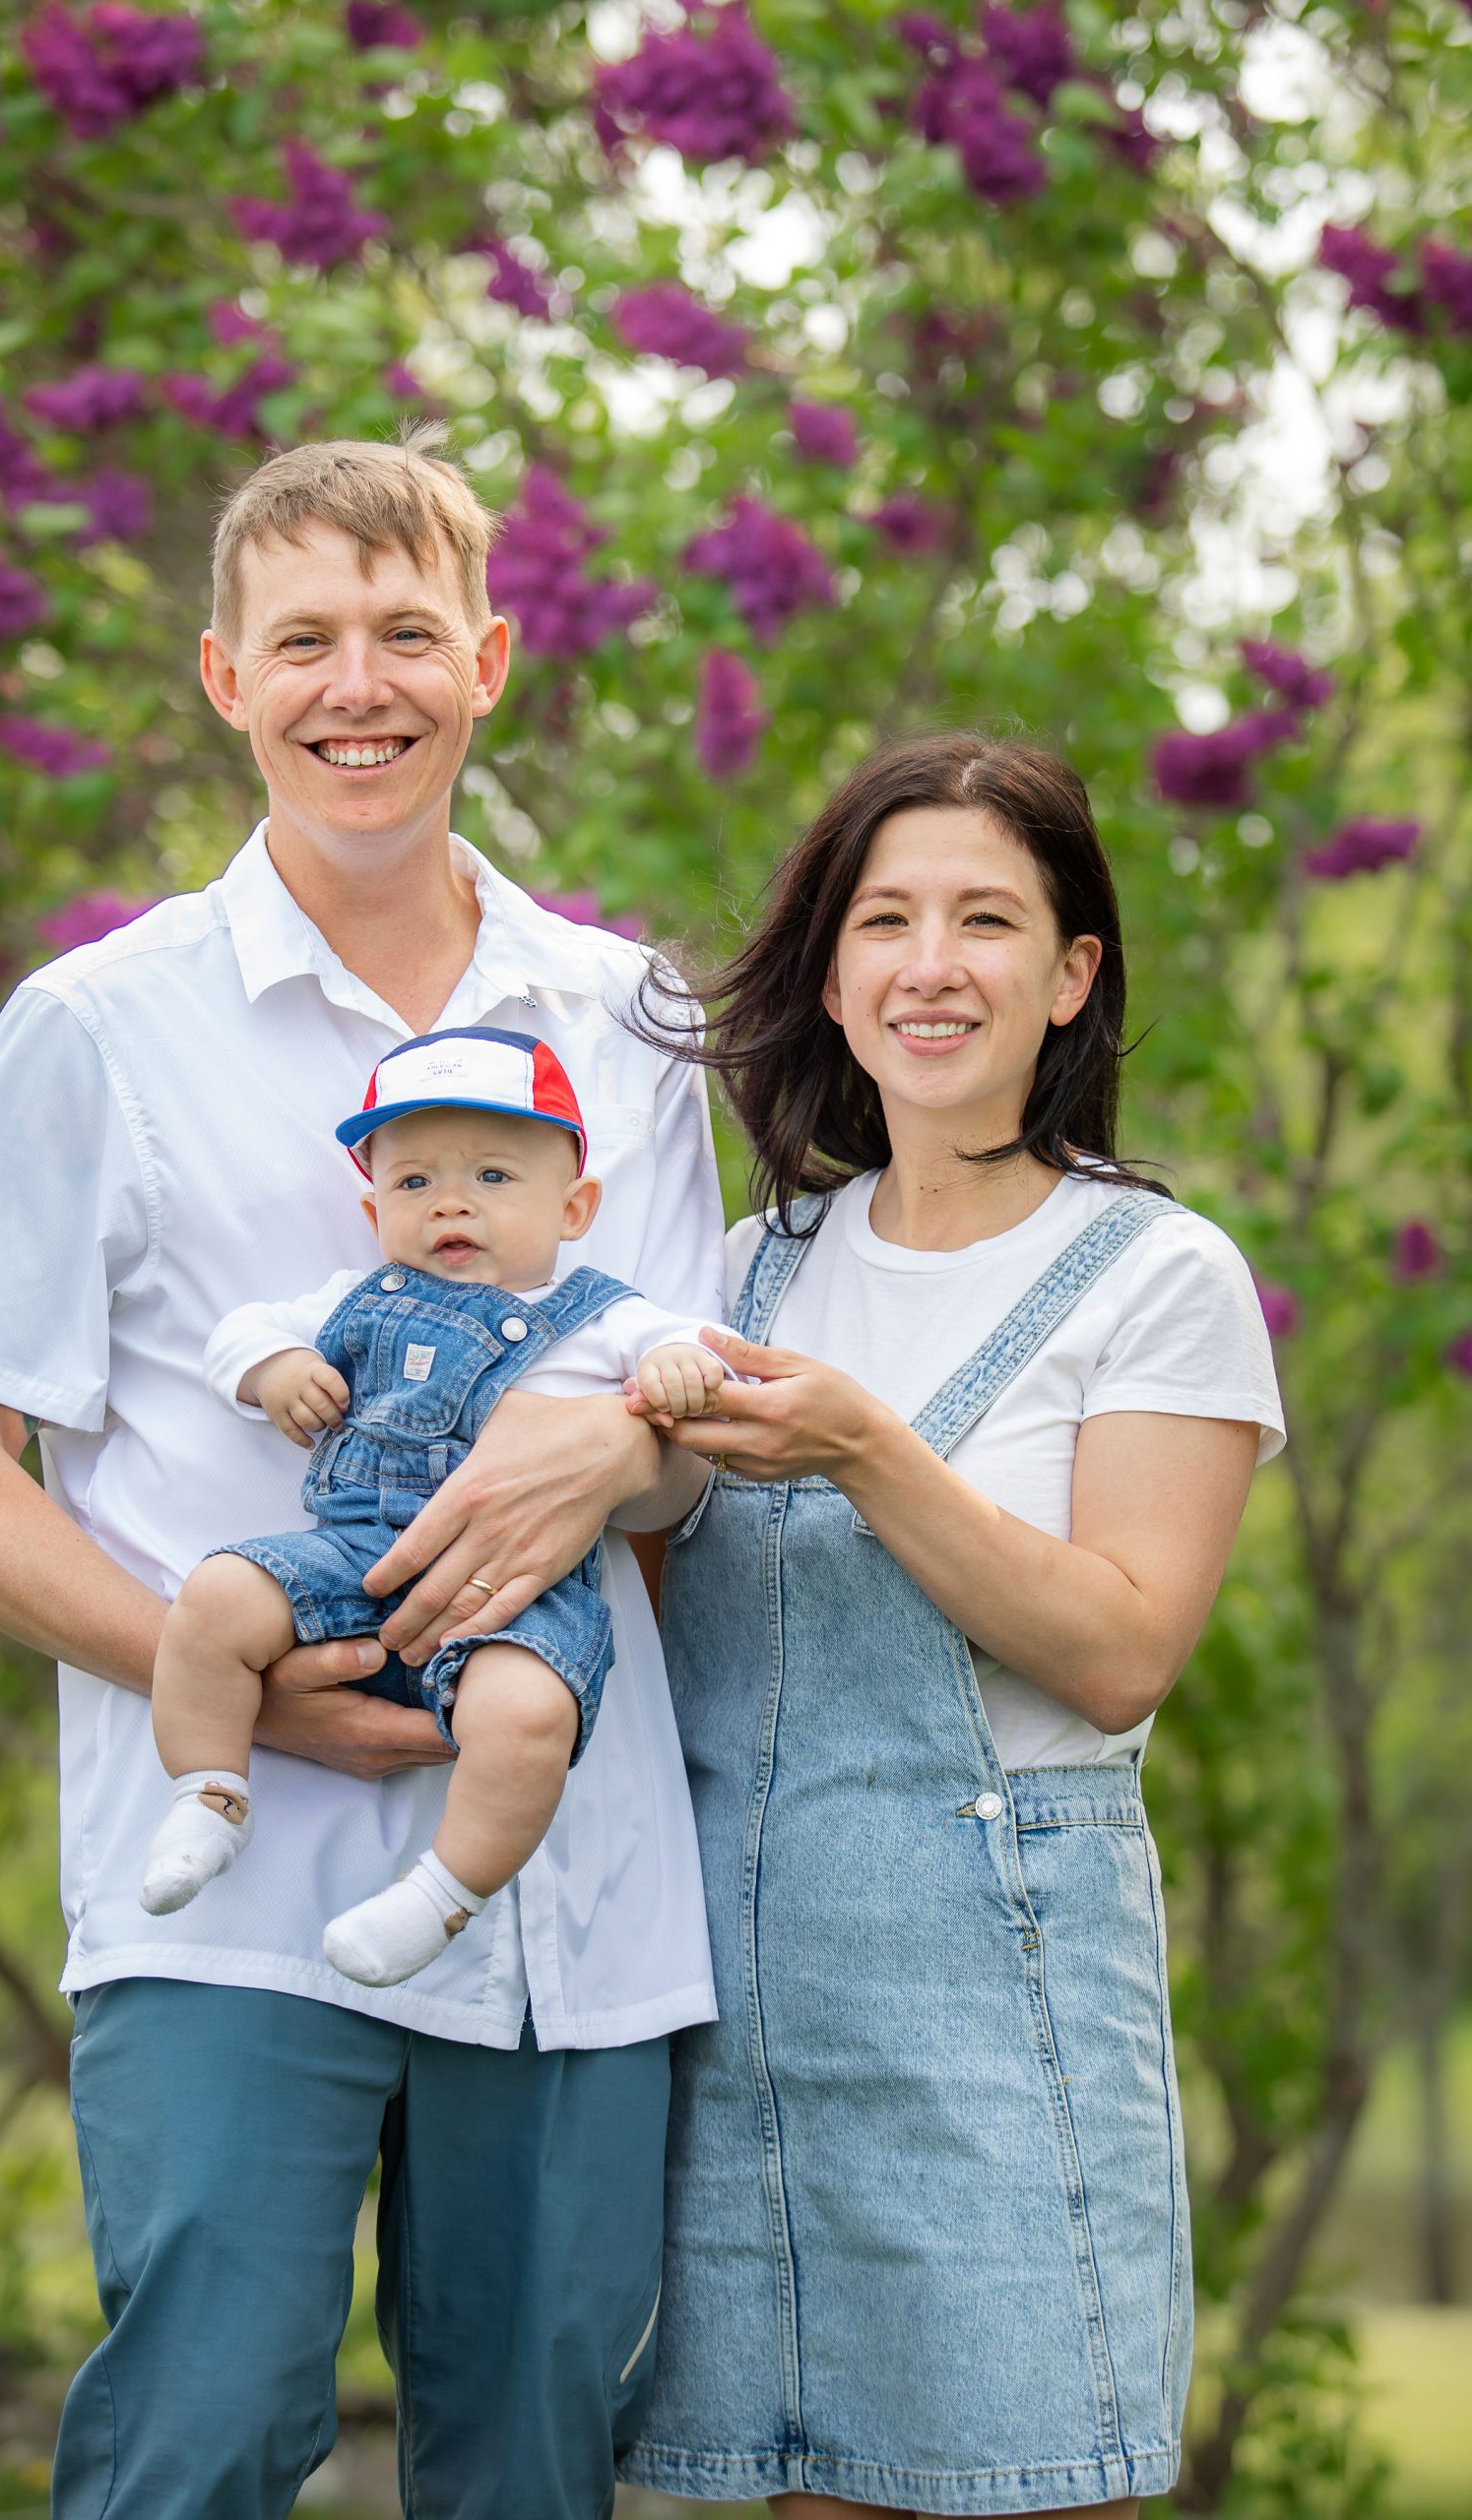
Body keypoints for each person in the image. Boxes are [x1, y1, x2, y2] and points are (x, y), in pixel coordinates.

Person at [0, 427, 723, 2520]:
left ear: (490, 659)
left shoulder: (637, 1021)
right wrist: (222, 1667)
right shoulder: (98, 1025)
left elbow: (691, 1455)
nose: (363, 683)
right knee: (197, 2448)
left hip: (570, 1899)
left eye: (408, 631)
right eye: (307, 637)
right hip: (223, 1893)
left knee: (531, 2465)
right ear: (227, 678)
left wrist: (619, 1441)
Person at [619, 734, 1286, 2519]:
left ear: (1070, 974)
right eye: (887, 919)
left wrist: (857, 1443)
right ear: (831, 977)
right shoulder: (744, 1271)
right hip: (741, 2029)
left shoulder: (1158, 1276)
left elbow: (1119, 1646)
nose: (933, 963)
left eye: (989, 919)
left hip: (994, 2026)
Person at [144, 1024, 728, 1987]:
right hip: (359, 1552)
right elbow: (238, 1332)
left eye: (494, 1176)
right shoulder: (355, 1296)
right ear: (374, 1206)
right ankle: (208, 1791)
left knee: (529, 1715)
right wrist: (274, 1368)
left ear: (575, 1204)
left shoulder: (609, 1317)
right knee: (213, 1599)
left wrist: (678, 1367)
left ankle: (444, 1890)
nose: (451, 1200)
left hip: (518, 1592)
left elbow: (701, 1355)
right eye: (414, 1183)